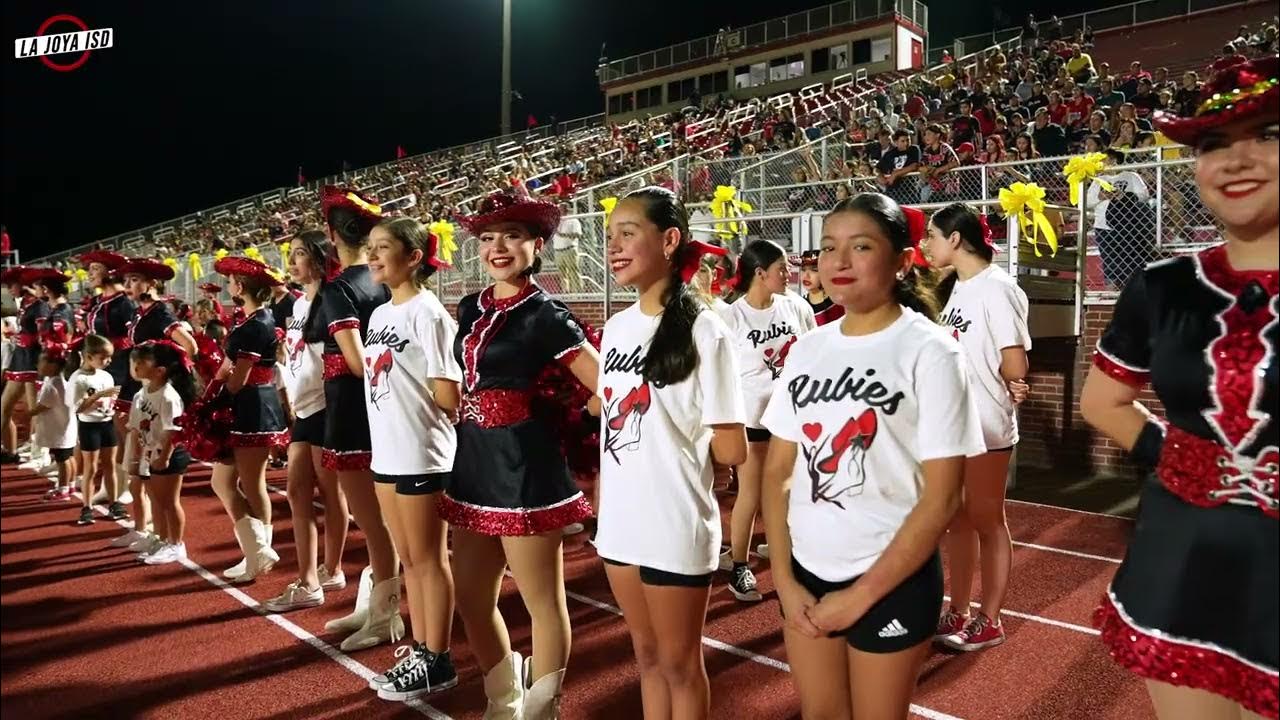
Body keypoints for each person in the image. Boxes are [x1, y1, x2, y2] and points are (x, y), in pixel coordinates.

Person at [1080, 55, 1278, 720]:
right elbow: (1102, 402)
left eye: (1268, 135)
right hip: (1180, 558)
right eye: (1214, 144)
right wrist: (1181, 456)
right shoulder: (1160, 286)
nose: (1236, 160)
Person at [760, 193, 984, 720]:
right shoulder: (809, 348)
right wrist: (785, 582)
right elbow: (776, 474)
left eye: (860, 247)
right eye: (828, 248)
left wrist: (859, 598)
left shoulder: (932, 351)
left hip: (891, 580)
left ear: (903, 260)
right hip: (807, 573)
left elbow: (945, 495)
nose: (838, 262)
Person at [439, 190, 600, 720]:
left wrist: (573, 419)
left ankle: (542, 709)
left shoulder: (547, 313)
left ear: (537, 244)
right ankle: (502, 700)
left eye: (511, 235)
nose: (497, 247)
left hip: (526, 468)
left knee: (542, 602)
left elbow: (604, 384)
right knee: (470, 595)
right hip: (473, 463)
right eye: (487, 238)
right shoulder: (470, 306)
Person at [596, 186, 747, 719]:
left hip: (674, 520)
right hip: (618, 522)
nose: (614, 245)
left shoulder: (708, 329)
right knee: (645, 656)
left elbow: (732, 449)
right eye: (610, 235)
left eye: (628, 234)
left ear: (670, 240)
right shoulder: (616, 327)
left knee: (680, 664)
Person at [362, 217, 462, 701]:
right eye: (370, 248)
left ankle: (437, 657)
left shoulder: (429, 313)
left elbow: (449, 390)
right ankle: (421, 650)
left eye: (384, 248)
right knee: (408, 559)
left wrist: (423, 406)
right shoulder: (380, 316)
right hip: (387, 452)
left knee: (428, 559)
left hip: (422, 453)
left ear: (415, 257)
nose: (373, 256)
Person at [925, 204, 1032, 652]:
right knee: (959, 522)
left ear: (955, 239)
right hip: (955, 424)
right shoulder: (959, 287)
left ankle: (991, 619)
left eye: (932, 235)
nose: (927, 244)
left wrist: (1015, 381)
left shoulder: (997, 287)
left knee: (987, 520)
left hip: (986, 424)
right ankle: (960, 610)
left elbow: (1014, 360)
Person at [306, 186, 399, 652]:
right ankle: (374, 600)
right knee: (378, 518)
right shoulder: (385, 280)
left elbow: (359, 362)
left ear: (330, 234)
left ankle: (385, 615)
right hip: (381, 411)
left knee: (372, 520)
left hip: (352, 409)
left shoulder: (340, 288)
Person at [716, 239, 815, 604]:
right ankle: (739, 564)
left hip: (791, 418)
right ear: (760, 274)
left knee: (789, 491)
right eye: (781, 269)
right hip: (753, 419)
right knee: (752, 493)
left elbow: (809, 353)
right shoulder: (731, 316)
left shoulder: (797, 307)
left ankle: (781, 554)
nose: (788, 274)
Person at [264, 230, 350, 613]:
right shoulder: (297, 306)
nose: (292, 261)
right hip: (304, 409)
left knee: (332, 494)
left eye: (300, 254)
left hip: (329, 406)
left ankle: (329, 570)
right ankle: (309, 577)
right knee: (298, 491)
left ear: (320, 257)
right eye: (291, 254)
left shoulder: (334, 299)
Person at [209, 255, 290, 584]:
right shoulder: (253, 320)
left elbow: (238, 379)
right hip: (251, 403)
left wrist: (214, 398)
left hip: (252, 406)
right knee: (223, 481)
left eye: (231, 281)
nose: (229, 285)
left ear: (240, 287)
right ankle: (256, 551)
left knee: (251, 482)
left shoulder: (256, 324)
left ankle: (259, 553)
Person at [108, 257, 198, 553]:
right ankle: (146, 530)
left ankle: (168, 539)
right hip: (139, 392)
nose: (128, 284)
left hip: (156, 396)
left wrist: (167, 376)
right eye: (128, 279)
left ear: (151, 283)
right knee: (137, 469)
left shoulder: (160, 313)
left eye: (135, 279)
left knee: (154, 474)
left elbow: (190, 346)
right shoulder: (139, 313)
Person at [125, 340, 196, 566]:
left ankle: (176, 544)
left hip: (169, 453)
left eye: (142, 363)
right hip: (151, 452)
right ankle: (161, 538)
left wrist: (164, 457)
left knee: (169, 501)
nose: (135, 367)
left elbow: (173, 431)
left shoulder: (168, 396)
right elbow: (137, 427)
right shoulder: (143, 392)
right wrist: (138, 457)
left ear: (159, 370)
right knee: (156, 500)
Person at [80, 250, 136, 510]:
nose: (89, 274)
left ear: (110, 272)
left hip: (119, 374)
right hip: (101, 373)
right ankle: (110, 485)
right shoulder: (100, 301)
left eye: (95, 269)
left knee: (122, 432)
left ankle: (128, 487)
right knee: (106, 431)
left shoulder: (123, 303)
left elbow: (129, 342)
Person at [70, 335, 122, 525]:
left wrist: (110, 405)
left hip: (106, 423)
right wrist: (97, 396)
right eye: (104, 358)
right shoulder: (79, 378)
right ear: (89, 357)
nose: (108, 361)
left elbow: (110, 400)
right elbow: (76, 408)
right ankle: (87, 506)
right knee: (90, 469)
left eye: (110, 357)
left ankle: (114, 503)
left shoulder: (106, 376)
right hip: (89, 426)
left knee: (110, 465)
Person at [0, 267, 49, 467]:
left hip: (33, 360)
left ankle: (40, 452)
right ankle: (32, 446)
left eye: (12, 285)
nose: (9, 290)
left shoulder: (39, 305)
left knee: (34, 408)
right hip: (21, 359)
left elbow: (45, 338)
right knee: (4, 406)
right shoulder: (25, 305)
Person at [31, 348, 77, 501]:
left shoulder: (52, 385)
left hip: (59, 429)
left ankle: (62, 488)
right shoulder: (62, 381)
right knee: (69, 457)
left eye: (41, 362)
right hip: (67, 428)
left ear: (53, 365)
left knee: (62, 460)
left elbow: (43, 405)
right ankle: (71, 484)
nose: (38, 365)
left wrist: (29, 413)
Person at [798, 250, 844, 326]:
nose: (806, 276)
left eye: (814, 270)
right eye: (803, 270)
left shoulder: (840, 303)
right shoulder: (800, 305)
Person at [552, 203, 584, 294]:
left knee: (573, 272)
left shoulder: (573, 220)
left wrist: (563, 235)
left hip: (569, 249)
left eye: (562, 209)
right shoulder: (556, 221)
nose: (560, 211)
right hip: (558, 250)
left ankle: (578, 292)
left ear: (567, 209)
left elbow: (578, 235)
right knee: (562, 273)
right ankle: (566, 292)